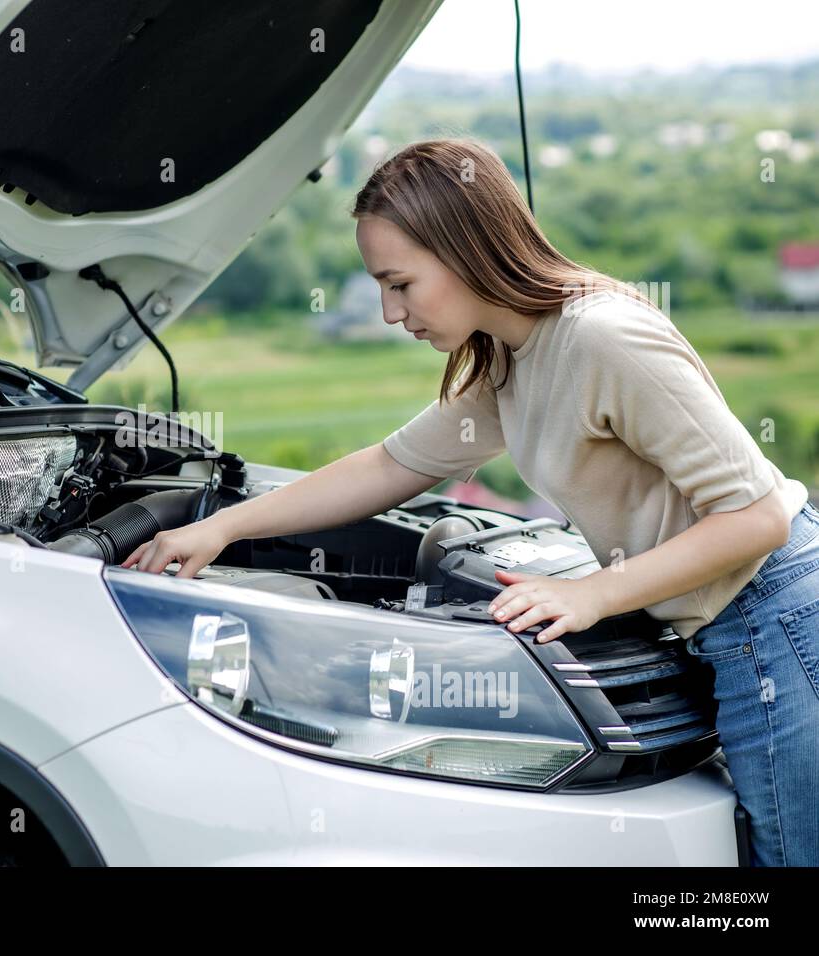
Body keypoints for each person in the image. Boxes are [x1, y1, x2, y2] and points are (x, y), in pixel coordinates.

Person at [121, 138, 816, 866]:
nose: (391, 312)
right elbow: (391, 466)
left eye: (401, 283)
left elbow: (759, 516)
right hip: (730, 629)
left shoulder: (605, 340)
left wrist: (592, 596)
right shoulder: (513, 358)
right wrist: (222, 527)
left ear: (465, 251)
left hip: (780, 619)